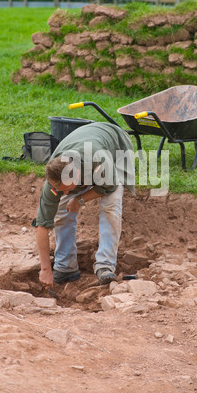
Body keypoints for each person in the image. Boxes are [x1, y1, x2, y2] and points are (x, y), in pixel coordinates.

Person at [32, 121, 135, 288]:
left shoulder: (98, 161)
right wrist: (45, 269)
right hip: (84, 146)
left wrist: (79, 200)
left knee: (111, 205)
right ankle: (65, 267)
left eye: (68, 188)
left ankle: (105, 266)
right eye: (61, 189)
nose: (65, 193)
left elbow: (109, 186)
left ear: (78, 175)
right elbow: (42, 225)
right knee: (61, 210)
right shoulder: (54, 179)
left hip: (116, 145)